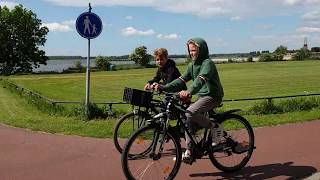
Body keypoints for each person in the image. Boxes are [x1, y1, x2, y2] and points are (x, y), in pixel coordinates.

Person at [155, 37, 224, 163]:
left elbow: (201, 80)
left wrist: (189, 92)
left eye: (195, 50)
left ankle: (214, 126)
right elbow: (180, 80)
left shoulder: (207, 63)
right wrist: (164, 87)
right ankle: (190, 150)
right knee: (186, 118)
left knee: (189, 113)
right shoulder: (191, 65)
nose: (192, 53)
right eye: (190, 50)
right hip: (202, 97)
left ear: (202, 50)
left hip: (213, 96)